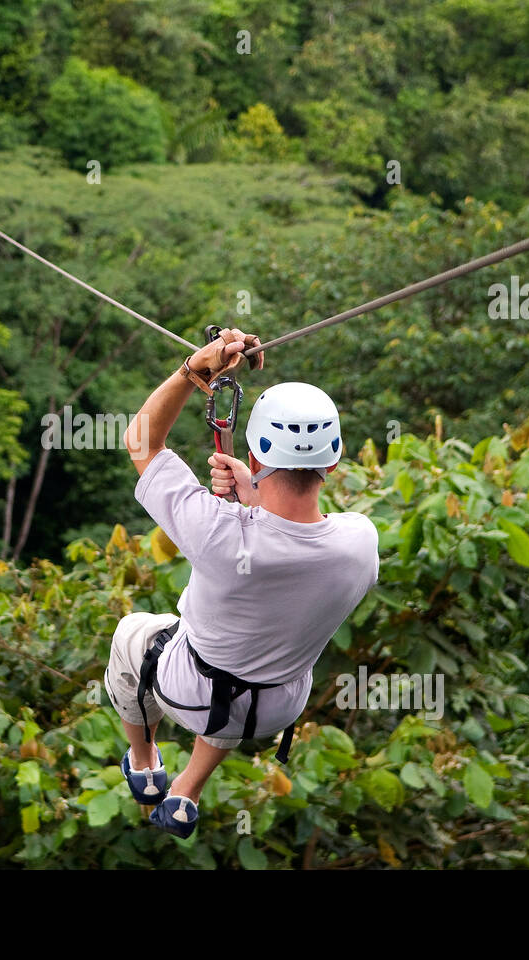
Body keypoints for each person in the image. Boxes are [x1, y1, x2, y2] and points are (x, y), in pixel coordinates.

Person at [103, 328, 379, 838]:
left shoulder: (215, 532)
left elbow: (142, 440)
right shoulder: (361, 543)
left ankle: (143, 762)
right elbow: (299, 535)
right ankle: (186, 790)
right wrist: (253, 499)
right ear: (334, 461)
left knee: (135, 633)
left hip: (195, 693)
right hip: (277, 705)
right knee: (249, 655)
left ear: (254, 457)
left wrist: (193, 370)